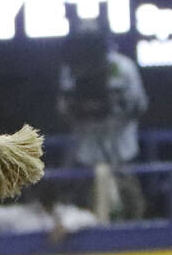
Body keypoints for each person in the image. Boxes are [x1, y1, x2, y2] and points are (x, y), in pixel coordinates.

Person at [57, 17, 148, 219]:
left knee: (131, 208)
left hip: (121, 151)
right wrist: (82, 111)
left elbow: (140, 105)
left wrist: (115, 113)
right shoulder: (71, 70)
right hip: (86, 153)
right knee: (82, 210)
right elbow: (63, 109)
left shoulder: (123, 68)